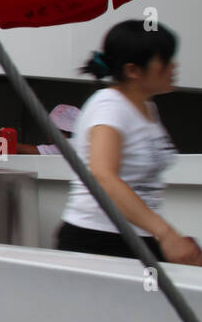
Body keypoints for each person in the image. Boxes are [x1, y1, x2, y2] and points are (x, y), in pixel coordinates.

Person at [57, 22, 200, 264]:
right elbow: (103, 176)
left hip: (136, 236)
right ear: (133, 70)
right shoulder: (110, 106)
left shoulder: (147, 106)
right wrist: (167, 235)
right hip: (98, 240)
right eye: (165, 60)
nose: (173, 66)